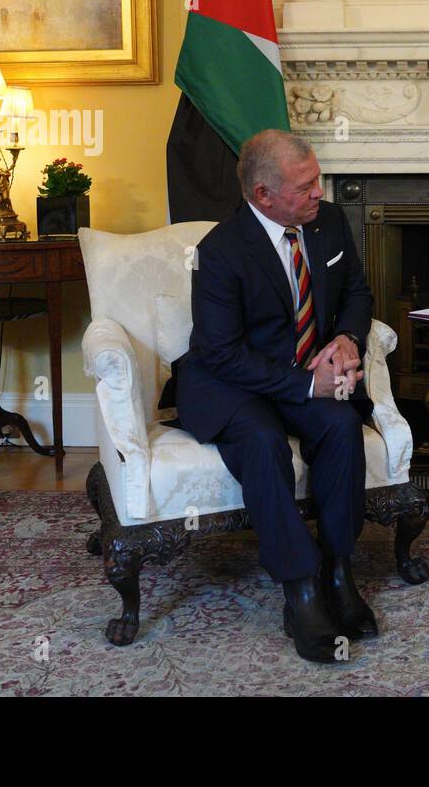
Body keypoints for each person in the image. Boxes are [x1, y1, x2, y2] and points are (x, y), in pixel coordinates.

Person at [169, 129, 376, 663]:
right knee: (263, 441)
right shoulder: (219, 251)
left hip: (300, 372)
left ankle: (337, 569)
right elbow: (221, 353)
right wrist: (309, 383)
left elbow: (356, 289)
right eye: (306, 186)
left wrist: (346, 339)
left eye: (318, 180)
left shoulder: (327, 223)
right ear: (263, 195)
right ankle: (300, 587)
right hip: (230, 383)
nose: (319, 193)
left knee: (341, 426)